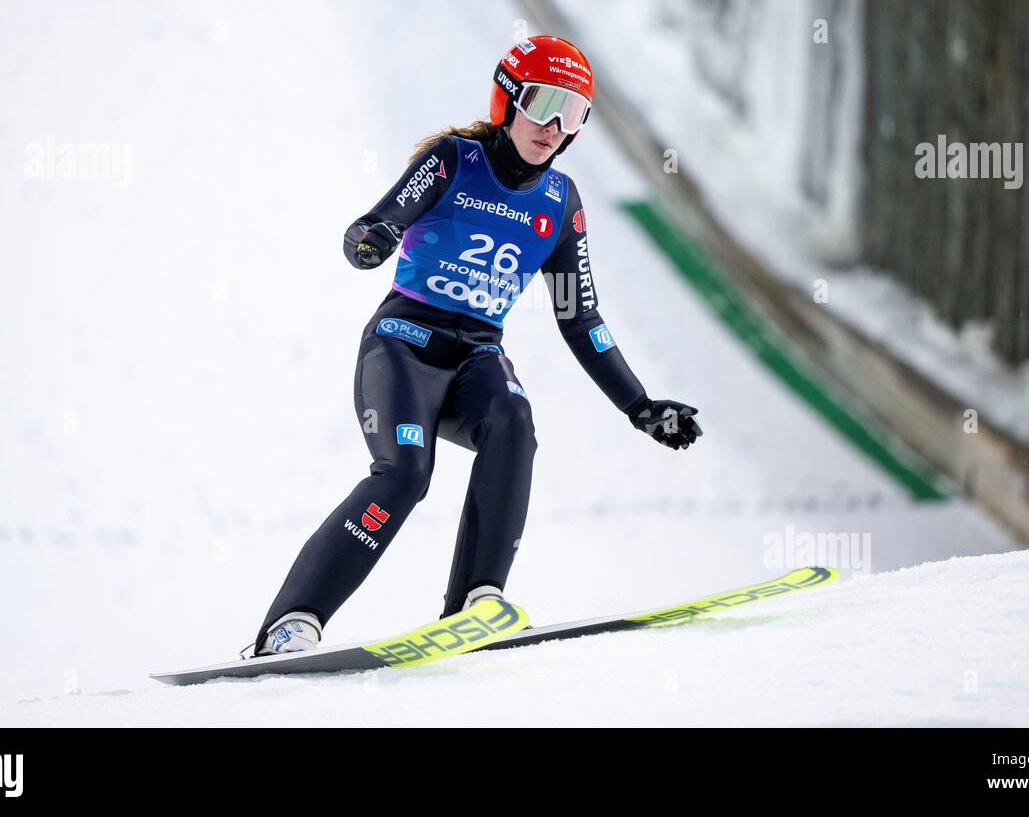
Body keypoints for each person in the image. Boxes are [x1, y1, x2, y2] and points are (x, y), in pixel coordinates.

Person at [246, 35, 702, 657]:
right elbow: (375, 222)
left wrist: (639, 405)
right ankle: (291, 625)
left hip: (477, 358)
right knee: (406, 475)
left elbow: (580, 317)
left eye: (573, 115)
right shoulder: (452, 160)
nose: (555, 127)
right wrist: (371, 240)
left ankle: (474, 601)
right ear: (507, 100)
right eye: (543, 104)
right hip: (403, 345)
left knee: (513, 418)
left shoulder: (561, 202)